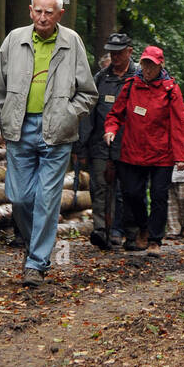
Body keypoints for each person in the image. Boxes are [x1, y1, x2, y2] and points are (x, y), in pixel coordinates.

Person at [0, 0, 97, 285]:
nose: (43, 18)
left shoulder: (72, 42)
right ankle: (36, 248)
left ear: (60, 15)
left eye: (50, 13)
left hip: (57, 131)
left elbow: (88, 93)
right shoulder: (14, 40)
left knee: (46, 198)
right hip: (18, 128)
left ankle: (36, 262)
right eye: (39, 11)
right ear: (30, 11)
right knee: (19, 196)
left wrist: (68, 113)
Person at [104, 46, 184, 250]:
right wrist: (111, 129)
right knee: (132, 194)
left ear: (161, 65)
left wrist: (182, 155)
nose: (148, 69)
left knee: (159, 196)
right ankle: (144, 227)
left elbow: (179, 124)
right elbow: (115, 114)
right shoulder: (131, 85)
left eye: (153, 65)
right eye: (145, 64)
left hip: (161, 154)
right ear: (140, 63)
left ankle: (155, 241)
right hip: (132, 151)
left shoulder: (171, 89)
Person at [77, 32, 140, 249]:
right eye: (112, 52)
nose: (114, 56)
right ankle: (101, 231)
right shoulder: (100, 79)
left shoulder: (140, 76)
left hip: (132, 145)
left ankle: (129, 233)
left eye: (119, 52)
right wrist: (81, 146)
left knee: (129, 190)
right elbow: (88, 115)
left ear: (129, 52)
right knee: (101, 188)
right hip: (101, 144)